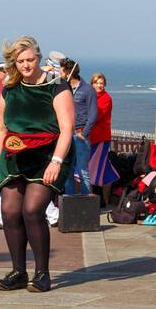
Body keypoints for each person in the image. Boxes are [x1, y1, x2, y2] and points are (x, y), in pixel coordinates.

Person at [0, 36, 75, 293]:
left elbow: (67, 128)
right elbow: (1, 127)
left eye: (30, 60)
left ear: (38, 58)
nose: (26, 65)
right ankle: (18, 271)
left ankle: (42, 274)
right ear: (13, 62)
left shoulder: (57, 86)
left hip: (48, 156)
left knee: (32, 210)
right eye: (20, 61)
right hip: (14, 155)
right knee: (9, 212)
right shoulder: (9, 87)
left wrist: (57, 162)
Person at [60, 58, 96, 196]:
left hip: (80, 135)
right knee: (67, 169)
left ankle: (87, 203)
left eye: (61, 71)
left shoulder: (87, 90)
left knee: (83, 171)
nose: (58, 74)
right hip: (66, 134)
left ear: (68, 72)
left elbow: (93, 114)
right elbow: (45, 80)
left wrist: (84, 133)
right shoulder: (62, 86)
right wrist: (47, 68)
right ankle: (70, 202)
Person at [88, 73, 120, 204]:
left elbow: (96, 115)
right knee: (101, 168)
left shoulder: (106, 98)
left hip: (100, 138)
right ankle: (105, 197)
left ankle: (98, 197)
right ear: (92, 84)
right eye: (97, 83)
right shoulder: (90, 96)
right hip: (91, 137)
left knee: (94, 168)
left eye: (101, 83)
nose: (99, 85)